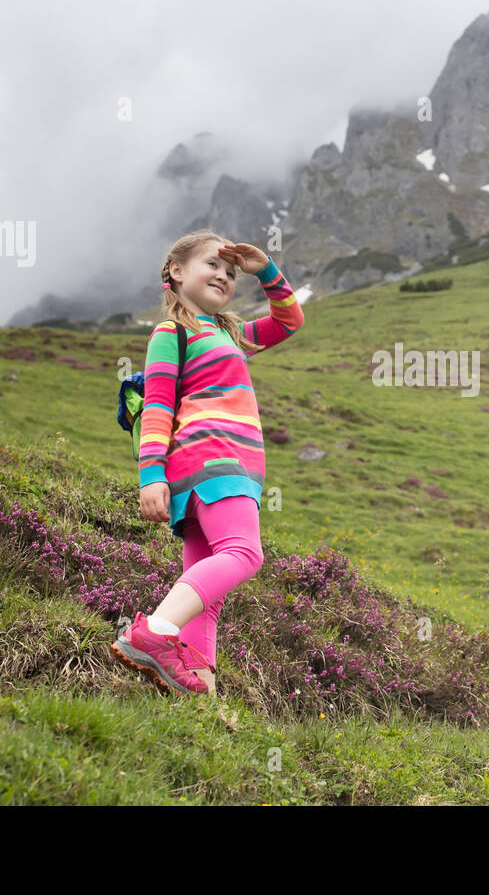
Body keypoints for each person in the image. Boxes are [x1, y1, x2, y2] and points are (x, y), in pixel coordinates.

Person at [111, 229, 304, 695]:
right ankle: (154, 632)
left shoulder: (228, 333)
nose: (224, 275)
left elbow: (290, 321)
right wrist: (150, 477)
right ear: (177, 272)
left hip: (223, 469)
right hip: (213, 461)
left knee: (209, 595)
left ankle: (199, 692)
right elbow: (157, 407)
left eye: (231, 272)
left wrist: (267, 271)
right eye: (212, 265)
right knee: (245, 553)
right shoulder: (171, 332)